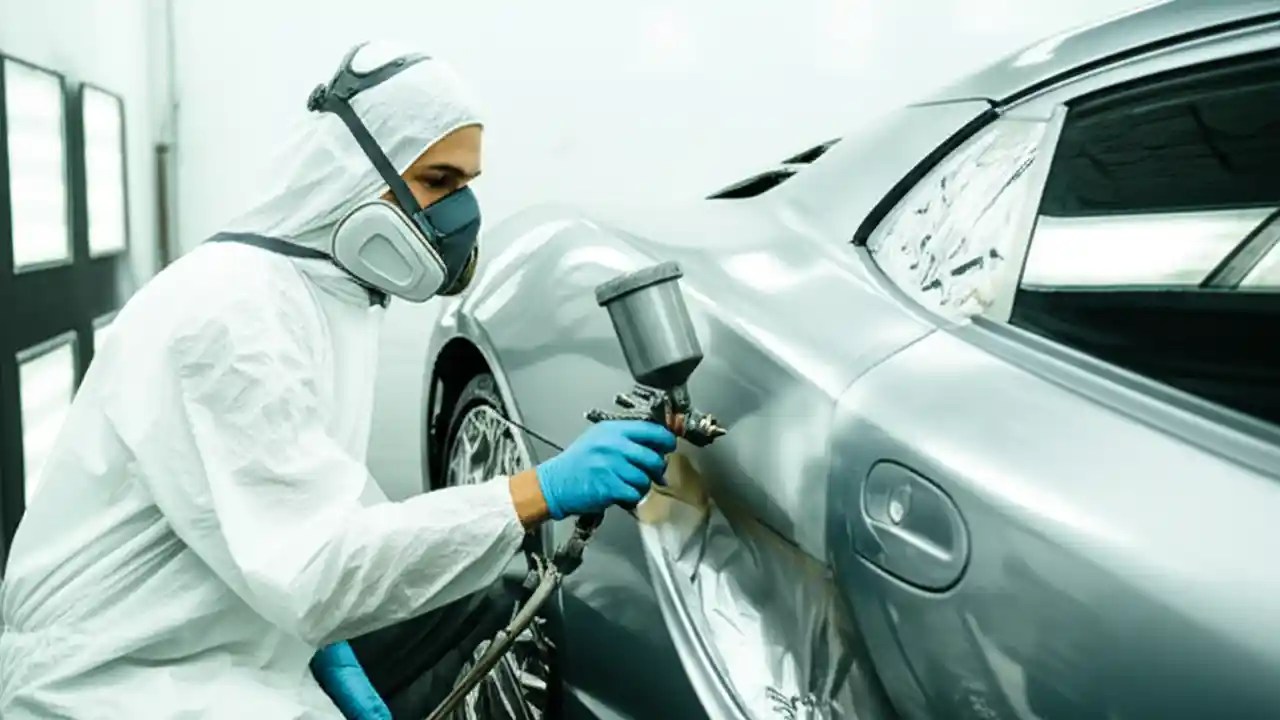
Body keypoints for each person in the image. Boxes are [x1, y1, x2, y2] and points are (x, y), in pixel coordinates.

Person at [0, 40, 675, 719]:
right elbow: (317, 566)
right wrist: (538, 492)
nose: (459, 215)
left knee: (484, 584)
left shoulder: (324, 295)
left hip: (227, 631)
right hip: (117, 680)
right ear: (355, 174)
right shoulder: (235, 319)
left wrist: (330, 649)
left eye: (467, 183)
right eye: (438, 181)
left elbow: (305, 508)